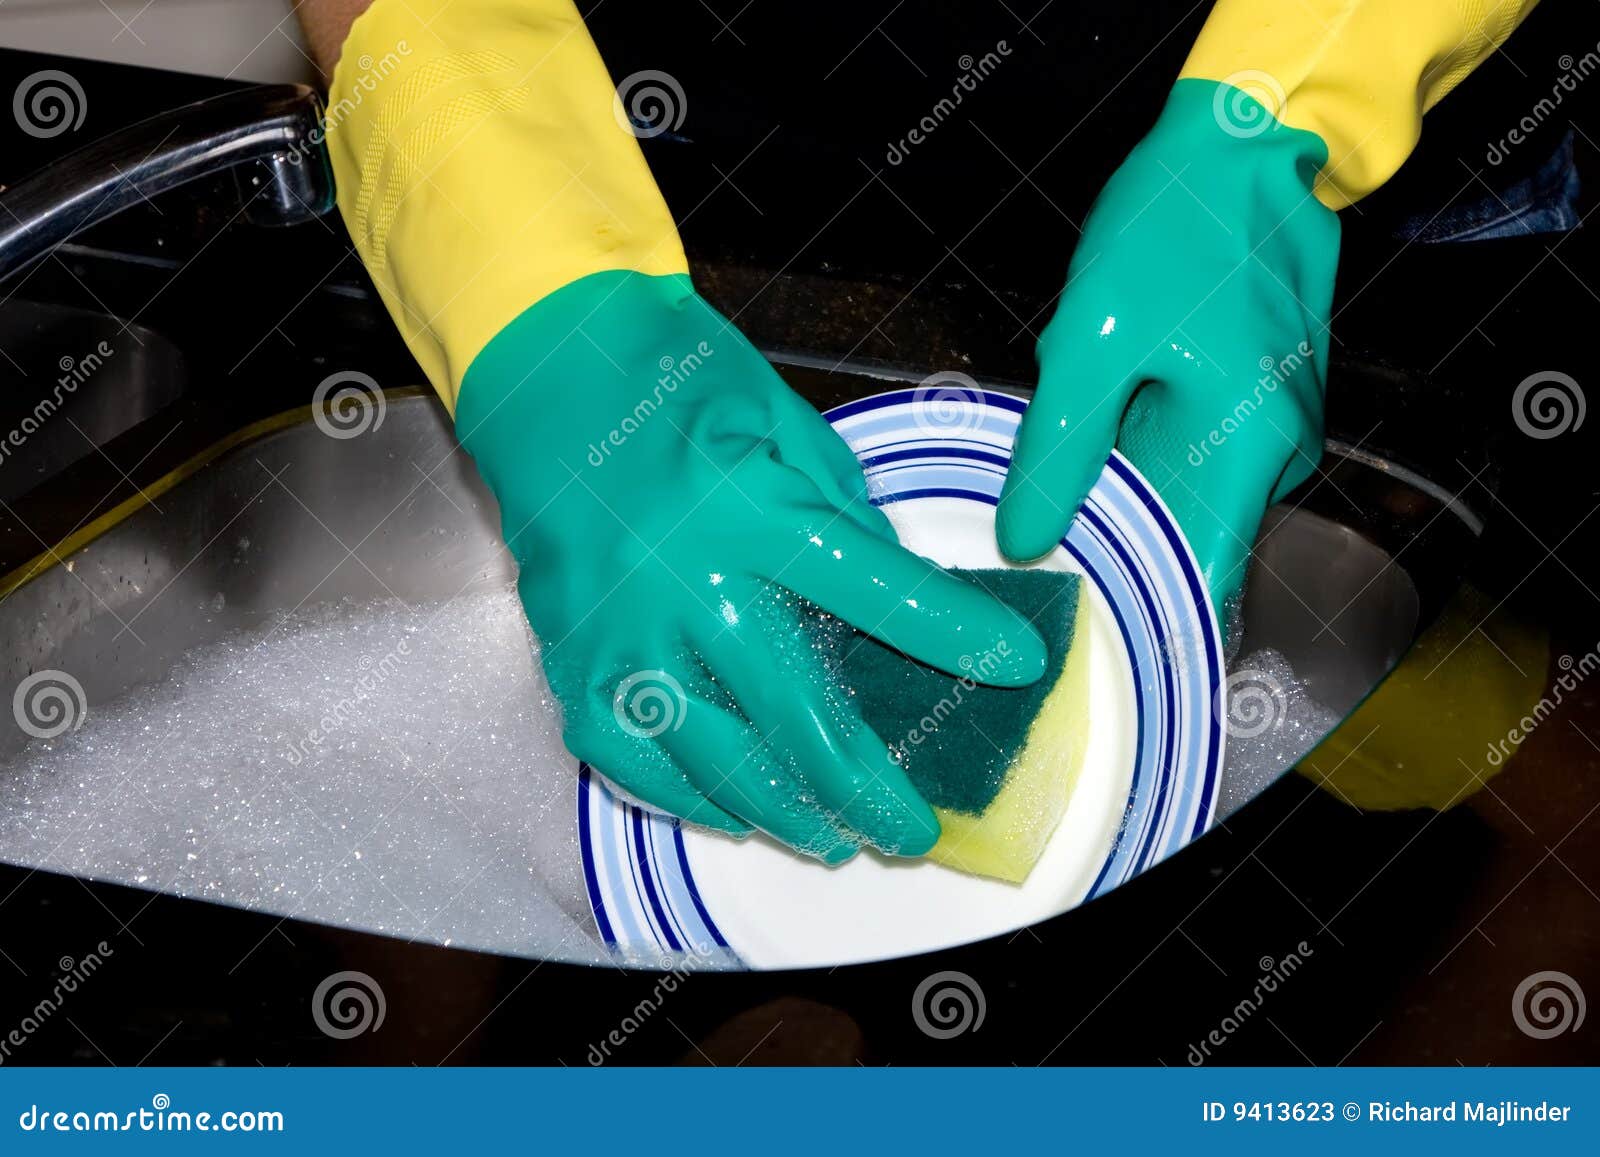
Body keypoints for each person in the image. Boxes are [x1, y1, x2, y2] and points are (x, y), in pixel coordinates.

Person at [294, 0, 1539, 861]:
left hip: (1387, 202)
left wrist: (1296, 95)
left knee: (1498, 731)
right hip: (711, 179)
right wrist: (538, 306)